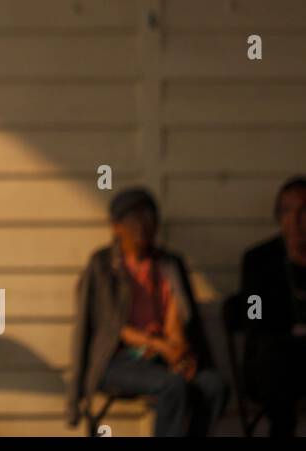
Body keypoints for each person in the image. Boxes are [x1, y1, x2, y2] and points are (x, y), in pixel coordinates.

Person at [67, 186, 226, 436]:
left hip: (160, 357)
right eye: (132, 220)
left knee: (213, 386)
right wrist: (161, 347)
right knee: (173, 386)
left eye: (148, 218)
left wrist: (180, 352)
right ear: (116, 227)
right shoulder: (103, 265)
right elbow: (112, 327)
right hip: (116, 359)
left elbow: (178, 314)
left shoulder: (169, 264)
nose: (141, 227)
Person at [237, 175, 306, 436]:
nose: (296, 221)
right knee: (273, 357)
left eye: (304, 211)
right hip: (274, 361)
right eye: (288, 211)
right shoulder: (258, 260)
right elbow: (254, 317)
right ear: (278, 217)